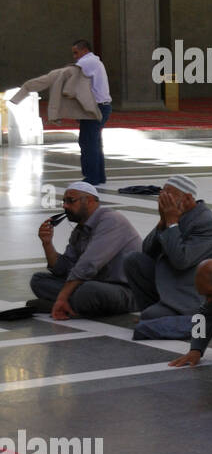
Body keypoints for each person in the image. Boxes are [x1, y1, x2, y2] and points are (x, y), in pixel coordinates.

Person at [123, 175, 212, 336]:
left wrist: (172, 223)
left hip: (191, 292)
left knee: (150, 317)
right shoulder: (175, 215)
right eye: (162, 195)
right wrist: (162, 222)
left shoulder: (207, 223)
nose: (164, 200)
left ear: (187, 198)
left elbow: (182, 261)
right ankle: (157, 310)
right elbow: (147, 251)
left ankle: (192, 320)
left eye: (169, 196)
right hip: (171, 280)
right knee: (133, 260)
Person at [29, 182, 141, 320]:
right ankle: (73, 305)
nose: (65, 206)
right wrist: (47, 244)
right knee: (38, 280)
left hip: (126, 291)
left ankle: (60, 303)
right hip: (92, 284)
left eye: (70, 201)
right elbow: (63, 269)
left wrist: (62, 296)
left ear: (89, 201)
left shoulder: (111, 220)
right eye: (64, 201)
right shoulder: (79, 231)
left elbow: (88, 265)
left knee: (89, 291)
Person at [70, 39, 112, 187]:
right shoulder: (95, 61)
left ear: (84, 50)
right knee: (94, 142)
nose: (74, 56)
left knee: (87, 142)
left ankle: (91, 177)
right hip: (102, 106)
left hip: (95, 108)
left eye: (76, 52)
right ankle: (99, 176)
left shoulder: (86, 63)